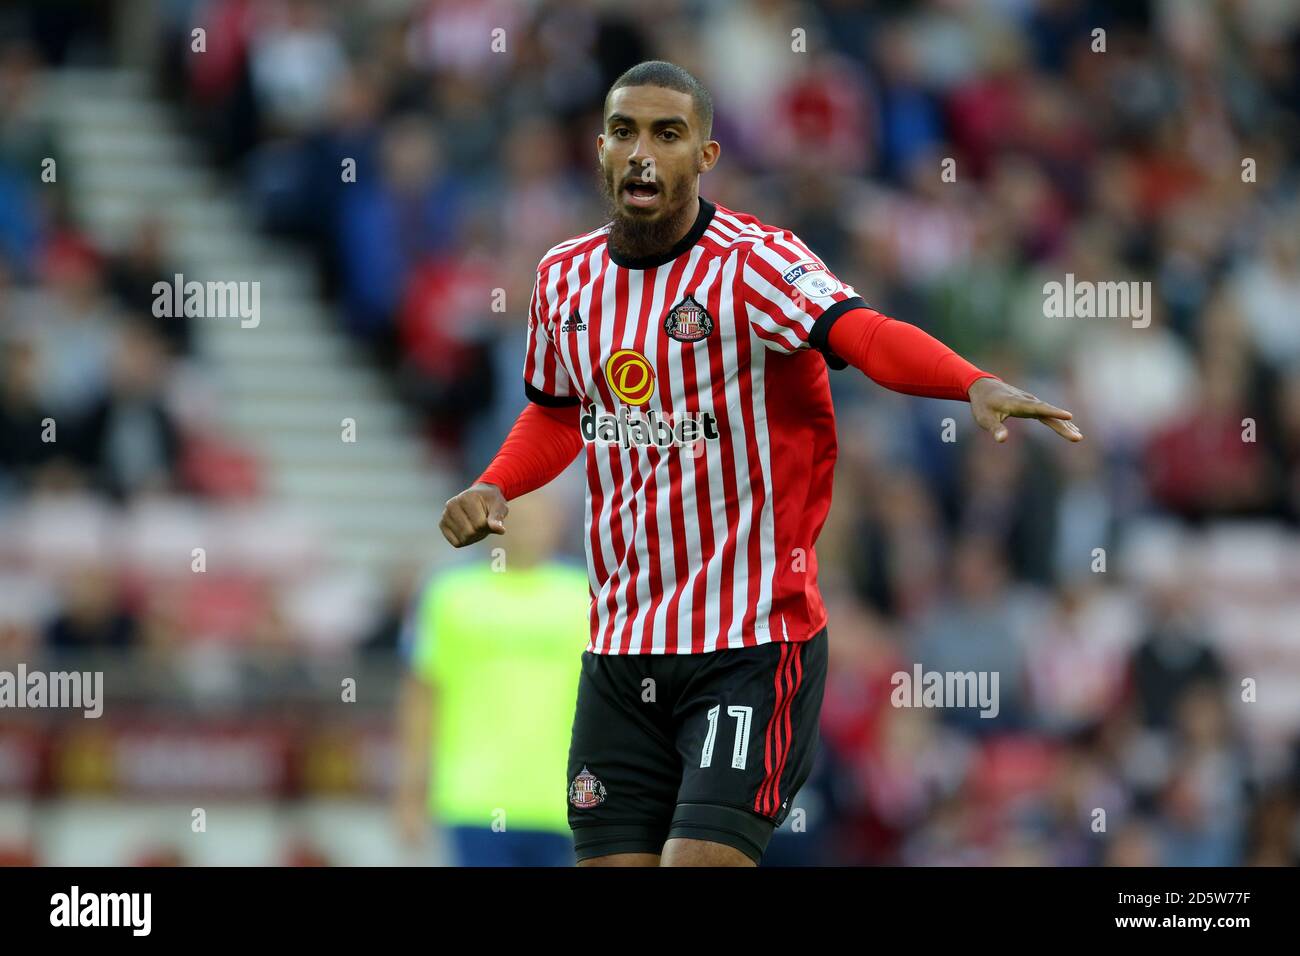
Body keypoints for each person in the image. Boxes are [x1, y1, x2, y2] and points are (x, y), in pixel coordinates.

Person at [439, 61, 1083, 868]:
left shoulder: (756, 265)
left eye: (667, 134)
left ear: (705, 156)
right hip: (621, 648)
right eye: (625, 132)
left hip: (749, 641)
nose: (642, 152)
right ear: (599, 147)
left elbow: (864, 334)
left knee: (699, 862)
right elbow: (558, 410)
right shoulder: (563, 277)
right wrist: (496, 482)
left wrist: (971, 382)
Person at [398, 486, 588, 866]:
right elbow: (422, 696)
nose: (527, 528)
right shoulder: (449, 594)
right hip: (473, 798)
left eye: (537, 517)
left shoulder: (585, 594)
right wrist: (410, 792)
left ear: (557, 521)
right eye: (514, 518)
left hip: (566, 802)